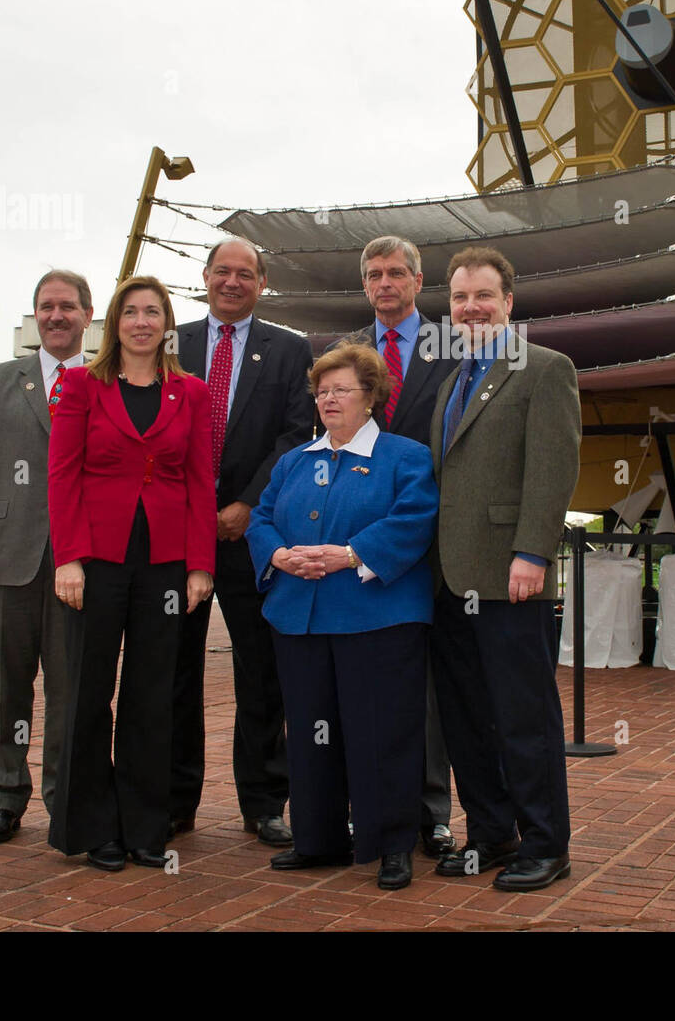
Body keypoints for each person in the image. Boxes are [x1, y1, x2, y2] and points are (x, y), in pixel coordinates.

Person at [246, 344, 439, 890]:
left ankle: (391, 844)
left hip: (378, 618)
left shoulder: (405, 456)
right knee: (312, 733)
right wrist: (278, 555)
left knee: (382, 732)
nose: (329, 399)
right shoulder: (294, 461)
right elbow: (262, 517)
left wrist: (350, 554)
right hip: (299, 620)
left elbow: (415, 518)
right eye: (322, 391)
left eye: (342, 390)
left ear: (371, 396)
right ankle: (319, 839)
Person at [47, 275, 215, 871]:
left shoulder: (191, 394)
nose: (142, 322)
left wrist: (200, 566)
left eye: (153, 312)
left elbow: (199, 480)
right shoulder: (78, 386)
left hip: (166, 565)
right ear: (113, 322)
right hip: (96, 562)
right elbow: (62, 475)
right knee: (90, 694)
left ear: (166, 324)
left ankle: (145, 826)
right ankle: (94, 828)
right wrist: (67, 558)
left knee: (151, 695)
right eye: (131, 312)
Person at [429, 246, 581, 892]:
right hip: (449, 581)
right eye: (460, 298)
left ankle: (546, 843)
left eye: (483, 296)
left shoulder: (545, 369)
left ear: (509, 302)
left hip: (510, 576)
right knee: (467, 717)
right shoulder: (449, 380)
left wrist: (532, 553)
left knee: (524, 717)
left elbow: (553, 470)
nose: (471, 308)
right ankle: (490, 833)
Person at [170, 238, 314, 845]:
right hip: (175, 536)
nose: (233, 282)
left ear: (262, 284)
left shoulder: (290, 349)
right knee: (174, 670)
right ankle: (175, 801)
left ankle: (263, 802)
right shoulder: (170, 342)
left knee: (262, 672)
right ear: (205, 277)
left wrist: (247, 503)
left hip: (249, 534)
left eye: (246, 274)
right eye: (223, 271)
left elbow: (294, 434)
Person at [0, 269, 94, 844]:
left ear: (88, 315)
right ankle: (5, 796)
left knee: (70, 690)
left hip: (78, 564)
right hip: (5, 561)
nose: (56, 316)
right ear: (35, 315)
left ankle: (66, 800)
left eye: (67, 307)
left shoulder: (104, 384)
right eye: (46, 307)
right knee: (6, 688)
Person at [334, 235, 460, 858]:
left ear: (417, 279)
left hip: (436, 535)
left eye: (395, 273)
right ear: (364, 285)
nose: (385, 283)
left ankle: (432, 811)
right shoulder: (343, 354)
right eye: (374, 275)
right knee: (366, 678)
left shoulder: (458, 346)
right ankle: (371, 808)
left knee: (429, 680)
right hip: (362, 542)